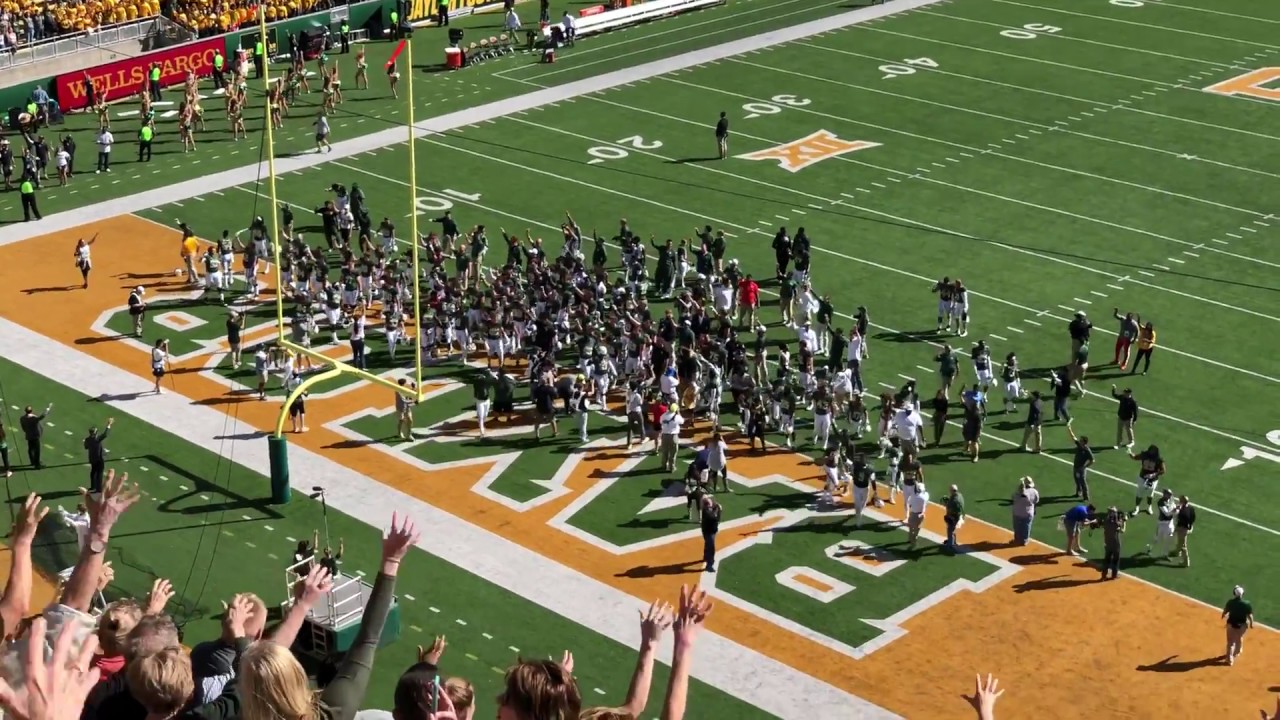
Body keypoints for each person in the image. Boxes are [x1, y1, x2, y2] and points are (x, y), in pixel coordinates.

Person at [1129, 444, 1166, 516]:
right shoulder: (1144, 455)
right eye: (1151, 450)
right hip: (1143, 477)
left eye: (1153, 451)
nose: (1151, 452)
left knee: (1150, 494)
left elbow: (1163, 470)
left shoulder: (1159, 459)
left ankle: (1149, 507)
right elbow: (1135, 457)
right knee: (1139, 493)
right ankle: (1137, 508)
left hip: (1153, 479)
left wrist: (1154, 474)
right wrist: (1130, 453)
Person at [1221, 585, 1252, 666]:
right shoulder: (1247, 604)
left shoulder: (1230, 602)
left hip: (1231, 625)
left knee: (1231, 643)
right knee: (1239, 638)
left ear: (1234, 593)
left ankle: (1230, 660)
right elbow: (1250, 616)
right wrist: (1251, 623)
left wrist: (1223, 615)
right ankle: (1238, 651)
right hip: (1242, 626)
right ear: (1242, 594)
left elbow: (1225, 611)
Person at [1143, 489, 1177, 558]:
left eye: (1170, 494)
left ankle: (1165, 554)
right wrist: (1174, 510)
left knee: (1168, 539)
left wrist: (1176, 510)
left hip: (1170, 523)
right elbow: (1166, 513)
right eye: (1168, 494)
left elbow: (1174, 508)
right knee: (1157, 539)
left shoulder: (1171, 500)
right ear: (1164, 494)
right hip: (1162, 523)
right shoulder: (1160, 502)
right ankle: (1150, 548)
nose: (1170, 496)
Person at [83, 418, 114, 493]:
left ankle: (92, 486)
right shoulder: (97, 439)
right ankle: (98, 489)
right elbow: (105, 434)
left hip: (92, 459)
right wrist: (109, 425)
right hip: (99, 459)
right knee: (99, 474)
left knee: (93, 472)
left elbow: (86, 447)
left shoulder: (87, 439)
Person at [19, 403, 52, 470]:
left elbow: (23, 427)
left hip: (28, 435)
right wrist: (47, 409)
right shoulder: (33, 418)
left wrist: (26, 431)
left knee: (30, 449)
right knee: (37, 450)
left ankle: (32, 461)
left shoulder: (22, 418)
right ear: (31, 410)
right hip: (35, 436)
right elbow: (42, 417)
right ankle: (37, 464)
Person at [1097, 506, 1125, 581]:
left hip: (1107, 543)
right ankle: (1114, 575)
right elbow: (1122, 530)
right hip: (1116, 544)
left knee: (1106, 560)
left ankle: (1103, 575)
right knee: (1115, 560)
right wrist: (1124, 521)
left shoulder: (1105, 521)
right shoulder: (1116, 523)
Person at [1066, 425, 1093, 501]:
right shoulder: (1079, 445)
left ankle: (1086, 496)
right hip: (1076, 467)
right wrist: (1069, 429)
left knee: (1083, 482)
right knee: (1077, 480)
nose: (1079, 441)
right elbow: (1073, 437)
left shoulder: (1087, 450)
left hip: (1081, 468)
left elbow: (1092, 460)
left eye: (1081, 440)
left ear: (1084, 442)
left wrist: (1085, 466)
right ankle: (1078, 492)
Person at [1010, 476, 1039, 546]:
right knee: (1026, 527)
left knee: (1017, 527)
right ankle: (1024, 540)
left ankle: (1017, 540)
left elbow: (1013, 498)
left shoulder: (1017, 494)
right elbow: (1036, 501)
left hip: (1017, 512)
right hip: (1028, 513)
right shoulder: (1034, 492)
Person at [1111, 385, 1138, 450]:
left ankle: (1131, 442)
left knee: (1129, 430)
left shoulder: (1132, 402)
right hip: (1121, 417)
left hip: (1128, 419)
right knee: (1119, 431)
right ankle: (1118, 444)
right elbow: (1115, 395)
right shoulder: (1122, 397)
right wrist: (1113, 390)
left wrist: (1134, 420)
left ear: (1129, 393)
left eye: (1126, 392)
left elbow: (1135, 412)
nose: (1124, 393)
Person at [700, 494, 720, 573]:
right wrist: (718, 510)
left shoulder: (707, 509)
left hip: (709, 530)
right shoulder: (706, 511)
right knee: (711, 548)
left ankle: (705, 556)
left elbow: (713, 512)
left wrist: (716, 508)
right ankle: (709, 565)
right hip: (709, 532)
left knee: (707, 544)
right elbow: (715, 518)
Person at [906, 480, 929, 549]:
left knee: (911, 528)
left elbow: (909, 504)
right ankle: (914, 542)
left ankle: (910, 539)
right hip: (920, 515)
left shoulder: (913, 496)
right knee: (917, 530)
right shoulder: (925, 496)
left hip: (913, 513)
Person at [1173, 495, 1196, 567]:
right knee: (1181, 543)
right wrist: (1191, 526)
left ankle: (1186, 562)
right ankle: (1177, 552)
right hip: (1186, 528)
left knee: (1183, 545)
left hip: (1182, 529)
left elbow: (1177, 518)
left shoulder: (1182, 511)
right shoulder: (1191, 508)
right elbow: (1193, 518)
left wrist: (1177, 509)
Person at [943, 484, 965, 552]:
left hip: (954, 516)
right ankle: (952, 541)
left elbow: (950, 509)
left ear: (952, 490)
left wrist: (946, 504)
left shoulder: (954, 500)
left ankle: (951, 545)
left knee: (950, 530)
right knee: (952, 529)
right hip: (958, 515)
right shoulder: (959, 495)